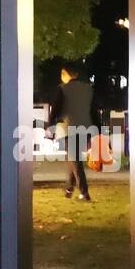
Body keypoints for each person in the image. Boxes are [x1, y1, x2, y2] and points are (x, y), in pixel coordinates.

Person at [49, 62, 96, 202]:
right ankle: (69, 188)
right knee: (73, 159)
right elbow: (93, 111)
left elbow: (55, 110)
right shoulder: (89, 89)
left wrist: (50, 127)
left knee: (75, 160)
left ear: (65, 74)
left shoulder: (63, 89)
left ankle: (84, 192)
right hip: (85, 128)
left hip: (68, 128)